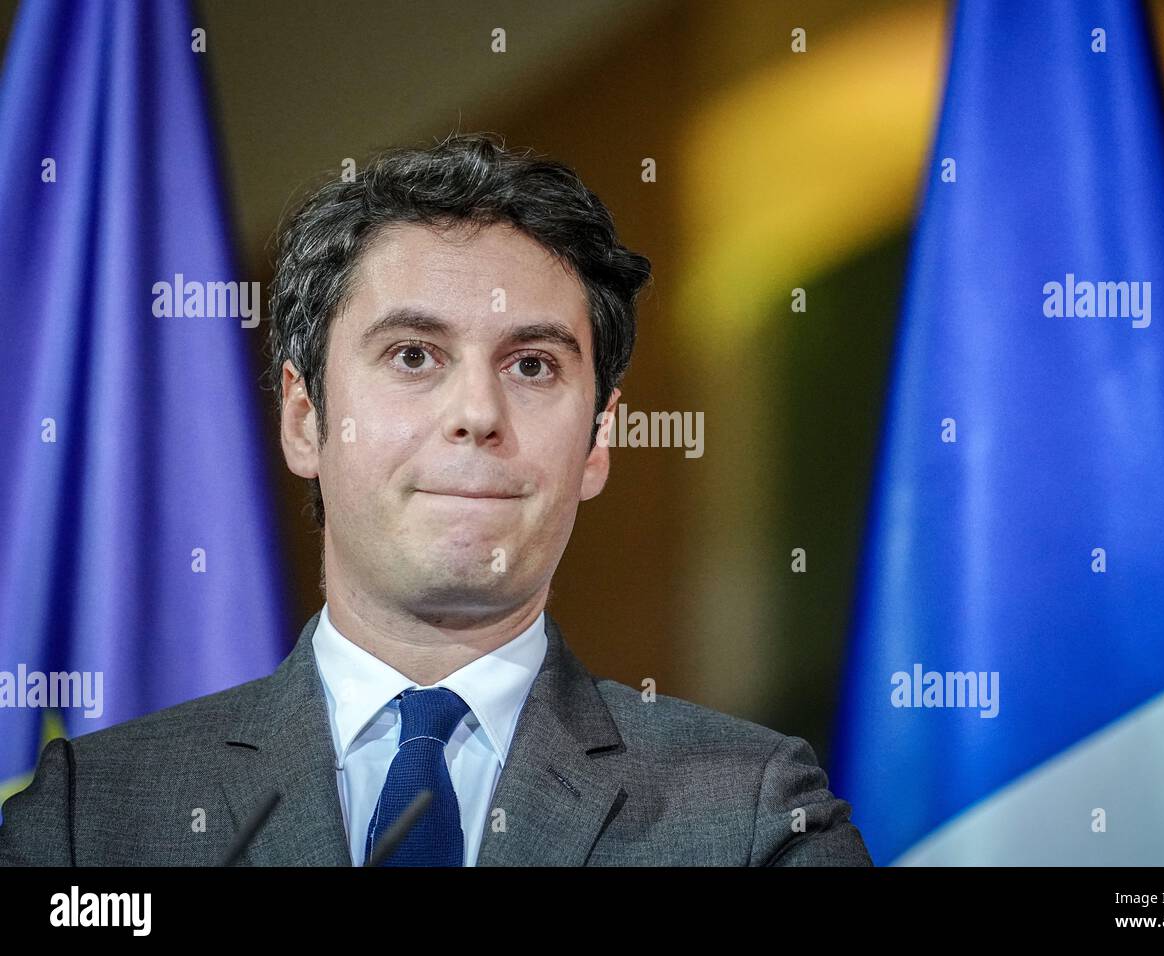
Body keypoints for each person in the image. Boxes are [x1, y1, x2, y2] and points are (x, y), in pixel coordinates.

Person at [0, 133, 872, 866]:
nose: (477, 416)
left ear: (600, 441)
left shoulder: (752, 818)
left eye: (532, 365)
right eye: (414, 355)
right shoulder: (94, 821)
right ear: (305, 420)